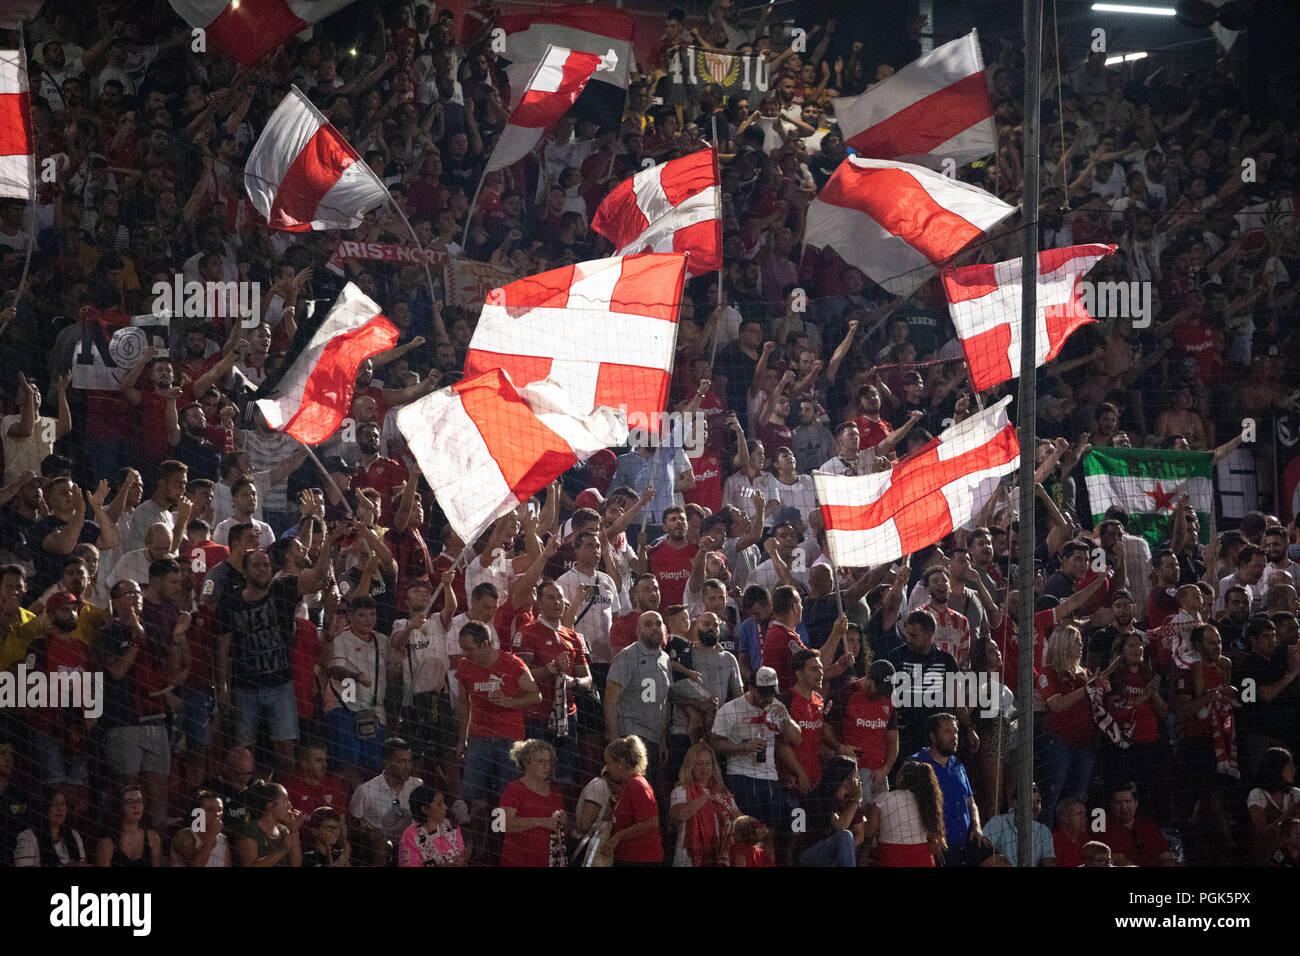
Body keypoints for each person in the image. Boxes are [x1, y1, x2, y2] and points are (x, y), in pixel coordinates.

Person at [454, 620, 541, 818]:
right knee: (473, 795)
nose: (465, 653)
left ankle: (502, 840)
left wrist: (509, 702)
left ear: (485, 644)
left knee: (506, 795)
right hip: (479, 738)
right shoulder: (465, 666)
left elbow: (536, 696)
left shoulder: (512, 664)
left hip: (509, 739)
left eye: (469, 648)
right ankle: (481, 844)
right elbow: (463, 704)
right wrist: (462, 739)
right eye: (462, 648)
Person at [710, 665, 801, 827]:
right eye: (764, 693)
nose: (768, 698)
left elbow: (797, 738)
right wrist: (743, 748)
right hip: (740, 776)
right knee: (746, 831)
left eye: (772, 693)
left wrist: (785, 722)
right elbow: (715, 743)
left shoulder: (776, 706)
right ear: (751, 688)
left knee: (770, 832)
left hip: (769, 778)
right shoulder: (731, 709)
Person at [1038, 624, 1108, 828]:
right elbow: (1056, 704)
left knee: (1079, 797)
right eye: (1077, 640)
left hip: (1086, 742)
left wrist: (1102, 689)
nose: (1081, 644)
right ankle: (1047, 845)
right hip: (1058, 741)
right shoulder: (1048, 672)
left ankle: (1076, 841)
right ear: (1065, 645)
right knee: (1052, 795)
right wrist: (1087, 689)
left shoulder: (1085, 673)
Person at [912, 712, 991, 866]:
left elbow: (971, 802)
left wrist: (977, 826)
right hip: (937, 845)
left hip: (967, 842)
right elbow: (910, 807)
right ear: (933, 737)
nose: (954, 736)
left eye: (955, 731)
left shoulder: (957, 765)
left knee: (999, 861)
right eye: (947, 731)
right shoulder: (916, 764)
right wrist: (930, 836)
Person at [604, 610, 672, 784]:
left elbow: (664, 701)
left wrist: (663, 739)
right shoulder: (627, 656)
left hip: (655, 740)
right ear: (638, 631)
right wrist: (615, 742)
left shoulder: (665, 659)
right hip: (632, 738)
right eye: (648, 625)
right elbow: (610, 701)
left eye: (658, 624)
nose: (655, 628)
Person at [348, 738, 422, 867]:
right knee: (382, 845)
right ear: (386, 763)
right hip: (378, 847)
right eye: (401, 762)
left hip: (412, 842)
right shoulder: (366, 791)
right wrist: (367, 832)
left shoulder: (417, 785)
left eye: (409, 761)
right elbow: (349, 826)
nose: (407, 767)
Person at [669, 741, 739, 867]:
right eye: (699, 763)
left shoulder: (723, 792)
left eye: (708, 763)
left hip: (719, 852)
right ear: (690, 766)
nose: (704, 768)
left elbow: (738, 818)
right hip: (690, 858)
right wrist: (705, 798)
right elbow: (679, 815)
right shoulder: (680, 791)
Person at [498, 738, 567, 867]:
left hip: (550, 859)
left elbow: (562, 820)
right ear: (526, 762)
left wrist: (563, 819)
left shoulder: (554, 789)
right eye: (541, 762)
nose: (546, 766)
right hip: (520, 859)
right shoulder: (514, 788)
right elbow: (502, 824)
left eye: (548, 761)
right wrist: (540, 821)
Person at [867, 760, 946, 867]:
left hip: (891, 858)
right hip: (922, 858)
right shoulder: (925, 802)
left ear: (900, 777)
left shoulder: (883, 798)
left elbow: (870, 832)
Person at [598, 735, 663, 866]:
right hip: (629, 858)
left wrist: (617, 837)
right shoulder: (628, 785)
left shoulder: (637, 786)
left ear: (621, 762)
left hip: (641, 860)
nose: (606, 768)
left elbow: (651, 822)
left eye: (608, 762)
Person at [795, 755, 865, 867]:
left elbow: (860, 834)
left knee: (846, 838)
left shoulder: (851, 802)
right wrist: (856, 799)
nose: (858, 779)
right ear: (844, 778)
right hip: (809, 856)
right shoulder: (821, 796)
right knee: (845, 835)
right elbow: (840, 826)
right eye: (855, 775)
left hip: (832, 857)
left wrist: (845, 849)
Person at [1096, 781, 1173, 867]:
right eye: (1118, 803)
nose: (1124, 807)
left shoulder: (1149, 825)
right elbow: (1119, 861)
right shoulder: (1104, 828)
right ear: (1111, 805)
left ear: (1136, 803)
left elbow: (1165, 857)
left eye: (1128, 801)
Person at [1246, 747, 1300, 865]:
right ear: (1277, 770)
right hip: (1267, 856)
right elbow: (1263, 835)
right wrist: (1287, 814)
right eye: (1290, 767)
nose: (1294, 770)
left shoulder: (1295, 793)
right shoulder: (1257, 794)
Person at [983, 783, 1055, 866]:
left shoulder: (1043, 831)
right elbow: (983, 852)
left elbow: (1049, 863)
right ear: (1016, 803)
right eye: (1030, 802)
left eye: (1038, 802)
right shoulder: (998, 822)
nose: (1035, 807)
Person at [236, 780, 304, 867]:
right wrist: (282, 850)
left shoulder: (284, 830)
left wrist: (294, 830)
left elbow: (296, 864)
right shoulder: (250, 831)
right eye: (285, 802)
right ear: (271, 806)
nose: (290, 806)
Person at [13, 788, 88, 867]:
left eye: (63, 804)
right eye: (55, 804)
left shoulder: (74, 835)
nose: (60, 808)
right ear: (45, 807)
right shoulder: (28, 836)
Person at [94, 785, 163, 867]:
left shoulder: (152, 837)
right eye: (130, 802)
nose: (136, 806)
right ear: (120, 806)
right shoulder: (107, 843)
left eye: (139, 801)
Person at [399, 785, 468, 867]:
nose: (445, 807)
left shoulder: (451, 827)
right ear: (425, 809)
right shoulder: (410, 836)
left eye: (444, 802)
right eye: (440, 804)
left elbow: (462, 860)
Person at [170, 791, 230, 867]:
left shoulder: (222, 839)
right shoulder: (184, 836)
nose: (217, 814)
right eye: (209, 810)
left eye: (219, 810)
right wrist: (211, 837)